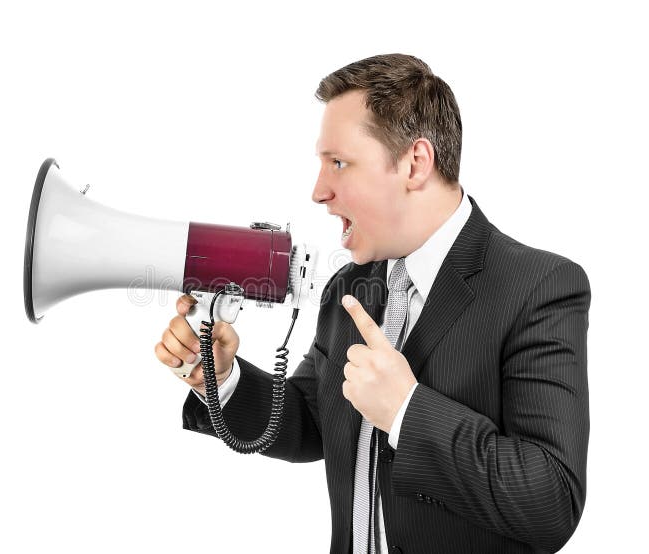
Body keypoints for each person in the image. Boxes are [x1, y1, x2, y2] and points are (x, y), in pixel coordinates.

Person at [154, 54, 590, 554]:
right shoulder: (350, 287)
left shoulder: (539, 286)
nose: (318, 191)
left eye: (338, 163)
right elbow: (312, 422)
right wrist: (220, 374)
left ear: (414, 163)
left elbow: (551, 500)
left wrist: (406, 411)